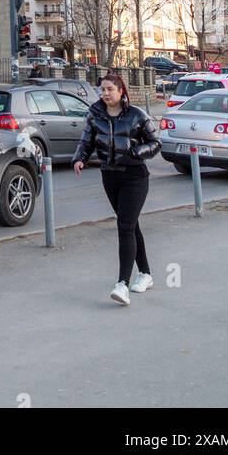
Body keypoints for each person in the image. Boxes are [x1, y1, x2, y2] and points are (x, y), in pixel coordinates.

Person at [72, 70, 161, 306]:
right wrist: (79, 158)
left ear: (121, 91)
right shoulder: (95, 114)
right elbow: (87, 140)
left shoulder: (136, 115)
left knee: (125, 226)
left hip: (135, 177)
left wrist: (137, 151)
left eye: (110, 89)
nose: (105, 93)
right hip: (109, 176)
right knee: (131, 225)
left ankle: (122, 284)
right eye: (102, 89)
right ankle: (145, 274)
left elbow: (155, 142)